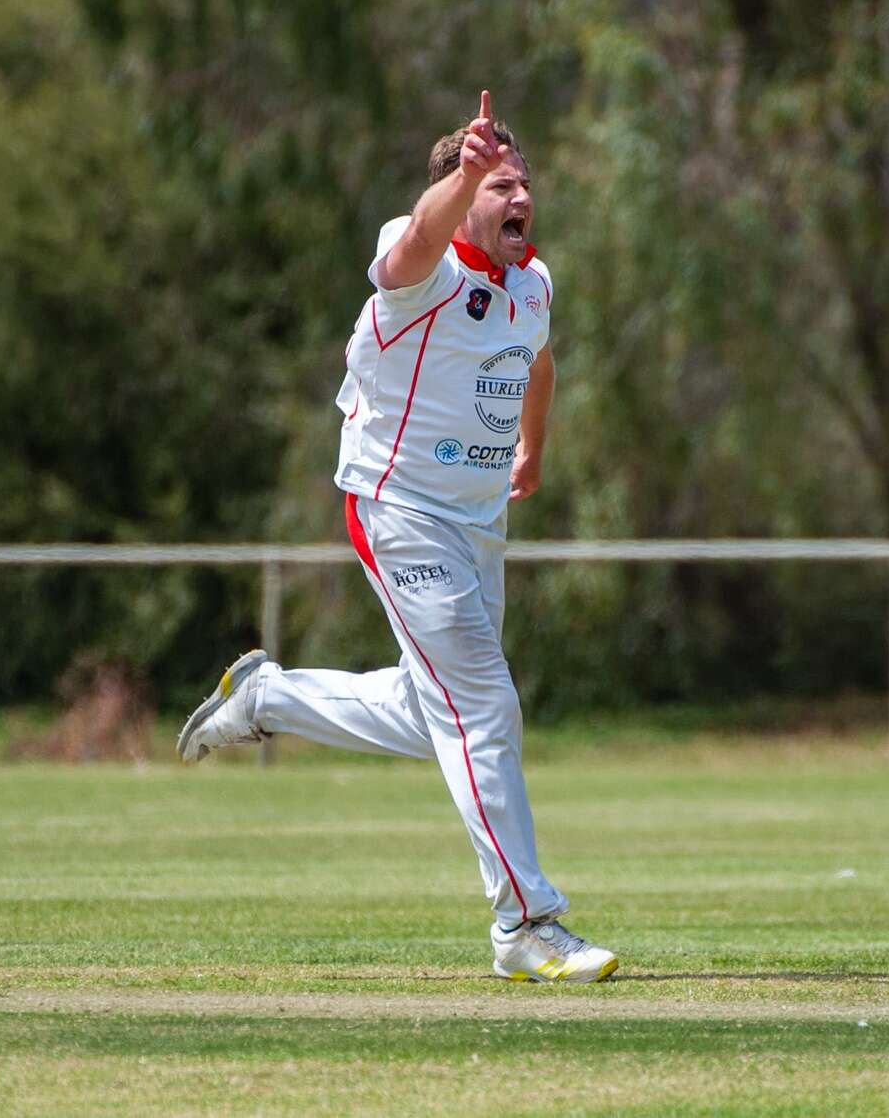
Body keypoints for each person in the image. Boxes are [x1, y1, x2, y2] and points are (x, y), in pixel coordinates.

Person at [178, 92, 618, 984]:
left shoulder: (530, 283)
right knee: (484, 708)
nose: (518, 195)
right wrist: (461, 180)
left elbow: (538, 354)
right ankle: (524, 923)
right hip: (398, 507)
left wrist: (536, 442)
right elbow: (414, 244)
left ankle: (268, 698)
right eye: (500, 183)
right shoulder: (426, 267)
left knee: (435, 713)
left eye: (523, 182)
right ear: (462, 193)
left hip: (475, 521)